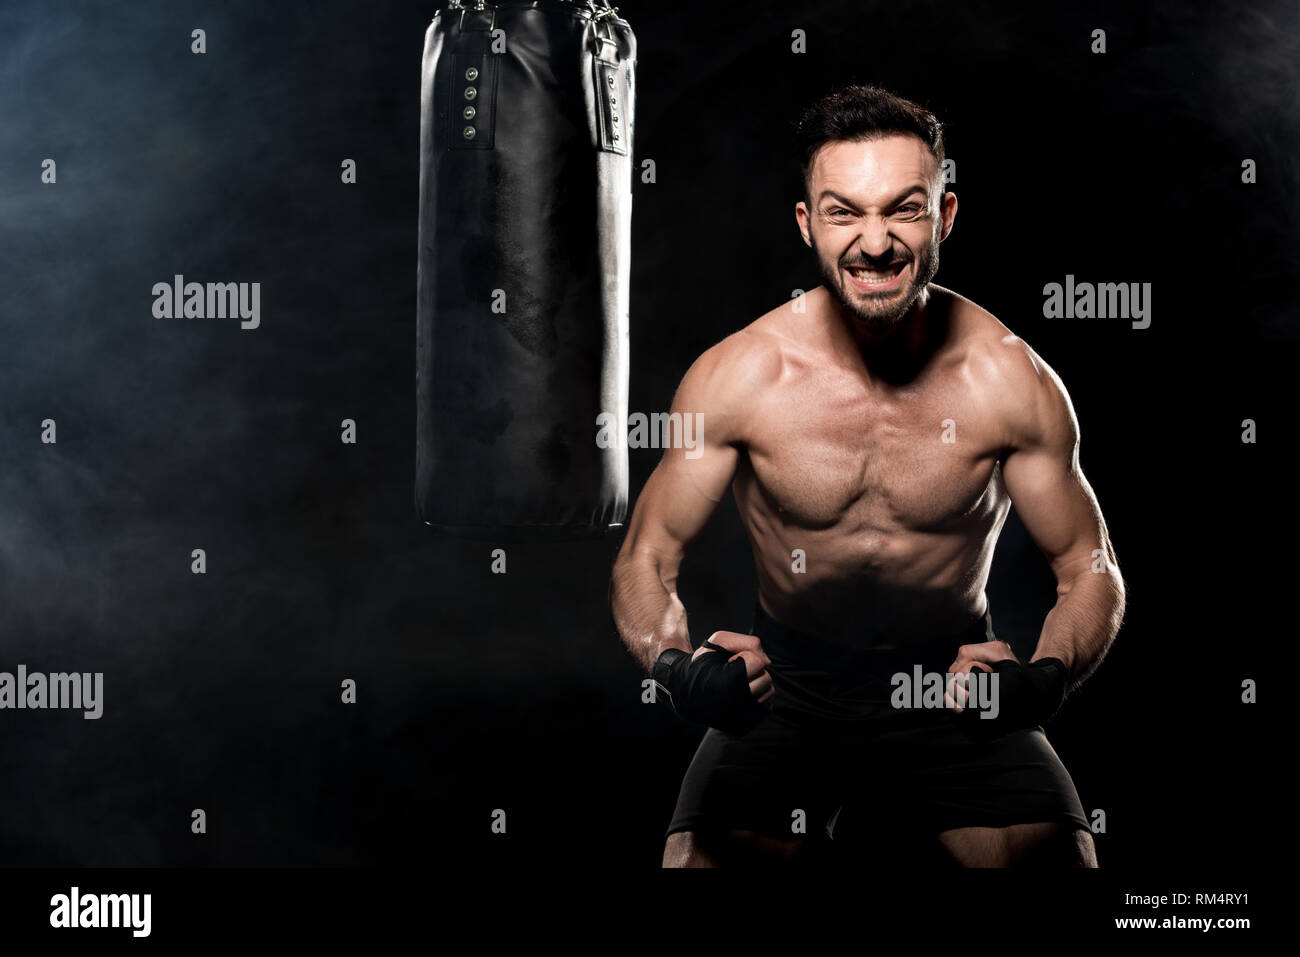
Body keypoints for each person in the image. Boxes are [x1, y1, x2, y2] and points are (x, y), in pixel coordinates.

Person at [610, 85, 1125, 868]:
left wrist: (1045, 679)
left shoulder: (1008, 380)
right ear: (807, 222)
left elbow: (1090, 566)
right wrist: (680, 670)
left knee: (1060, 864)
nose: (874, 242)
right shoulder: (740, 375)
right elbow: (645, 559)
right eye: (844, 211)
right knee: (693, 864)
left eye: (903, 209)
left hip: (953, 691)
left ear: (944, 216)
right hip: (788, 689)